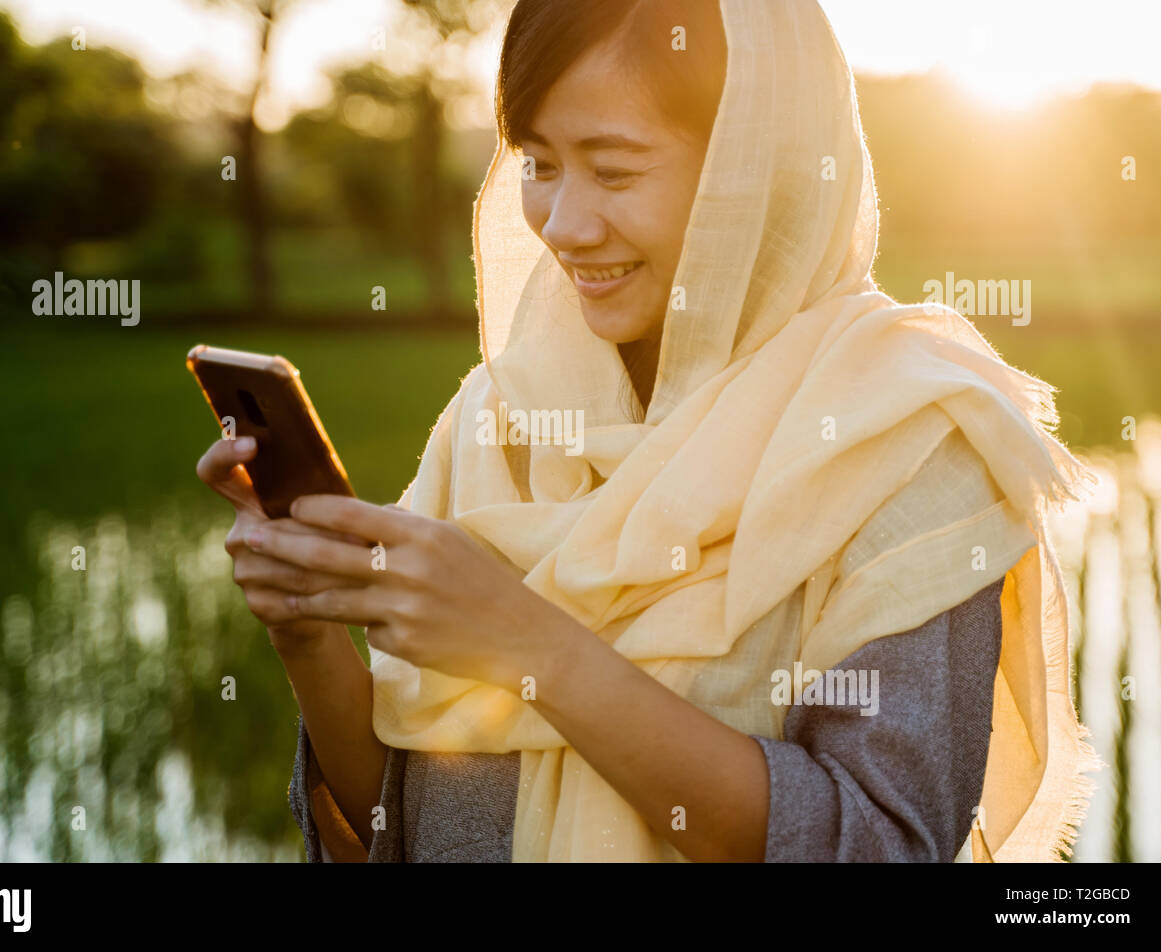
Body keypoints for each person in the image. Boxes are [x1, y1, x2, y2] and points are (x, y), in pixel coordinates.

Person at [196, 0, 1099, 862]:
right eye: (540, 164)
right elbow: (406, 827)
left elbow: (877, 844)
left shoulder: (899, 440)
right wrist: (306, 631)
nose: (564, 224)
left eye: (615, 170)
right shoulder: (501, 419)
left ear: (757, 167)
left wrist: (531, 646)